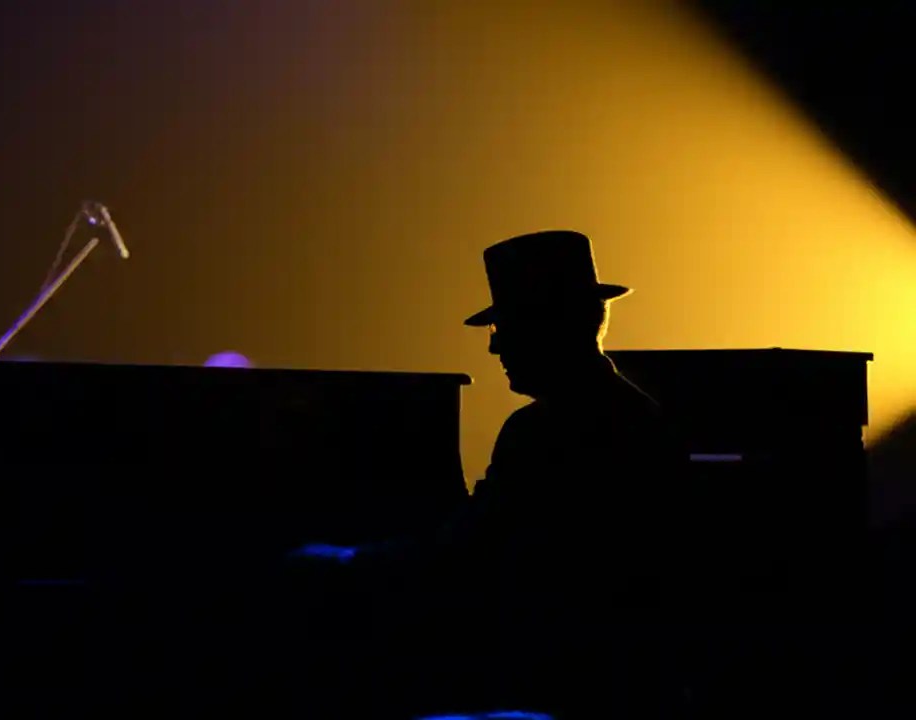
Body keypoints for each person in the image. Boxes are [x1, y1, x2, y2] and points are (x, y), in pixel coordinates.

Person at [294, 230, 690, 718]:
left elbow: (467, 551)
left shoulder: (546, 429)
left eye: (505, 329)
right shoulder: (636, 414)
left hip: (564, 683)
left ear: (553, 325)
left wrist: (348, 560)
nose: (494, 350)